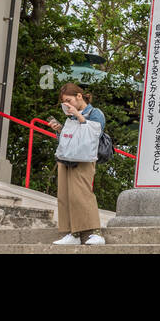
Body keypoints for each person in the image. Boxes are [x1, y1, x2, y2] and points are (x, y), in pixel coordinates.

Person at [47, 83, 106, 246]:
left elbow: (94, 135)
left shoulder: (95, 113)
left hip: (84, 159)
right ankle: (72, 233)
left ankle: (95, 232)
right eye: (64, 102)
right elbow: (69, 139)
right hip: (66, 158)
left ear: (79, 96)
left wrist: (79, 116)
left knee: (82, 194)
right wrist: (59, 129)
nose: (67, 105)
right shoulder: (70, 117)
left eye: (69, 100)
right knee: (65, 196)